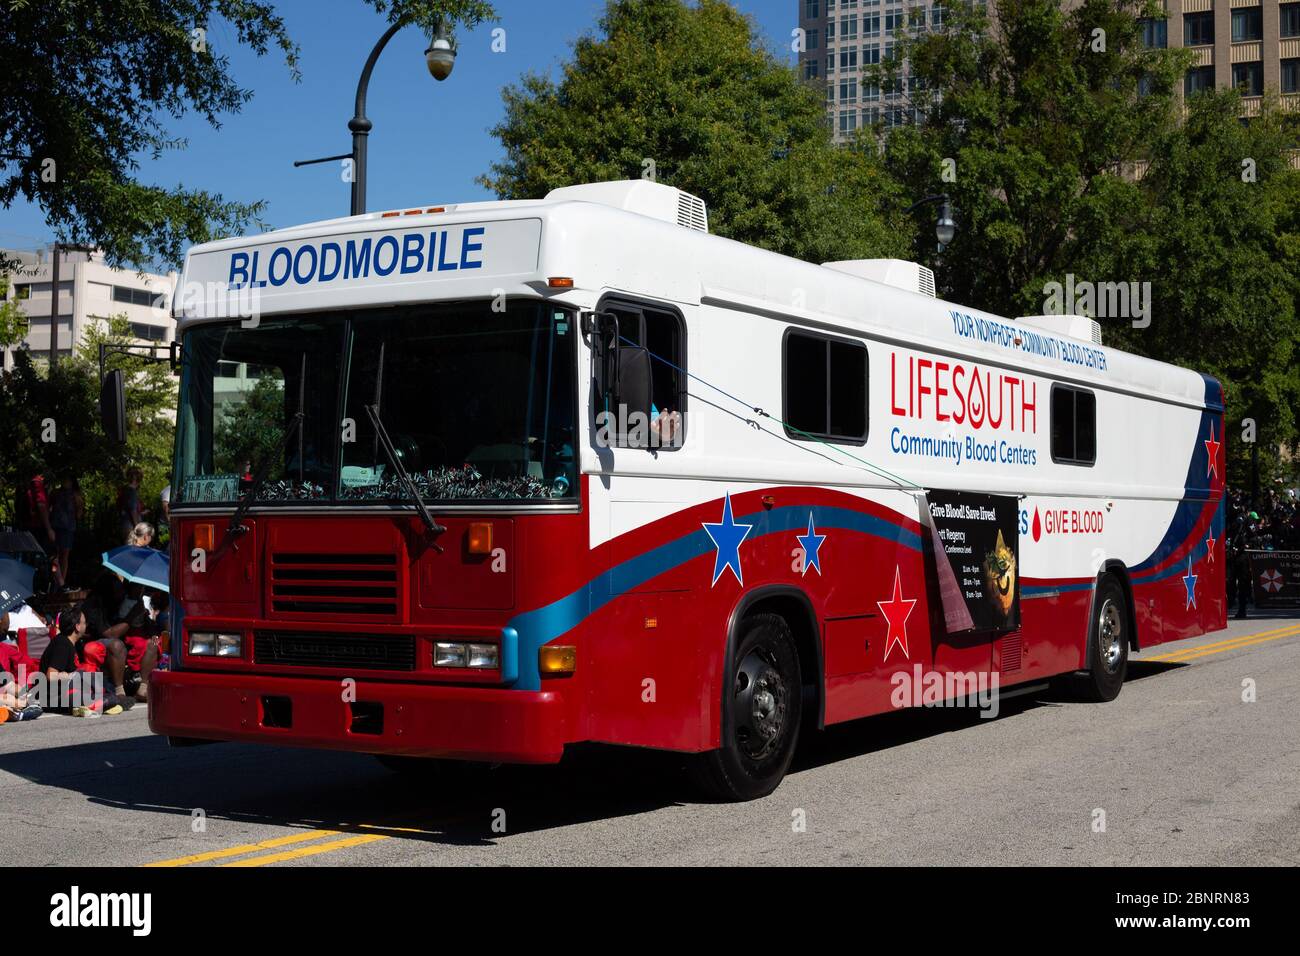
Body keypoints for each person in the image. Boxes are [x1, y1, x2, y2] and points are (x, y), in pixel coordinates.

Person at [37, 607, 119, 717]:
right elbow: (51, 676)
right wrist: (71, 676)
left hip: (65, 693)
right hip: (52, 698)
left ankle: (90, 704)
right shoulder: (62, 644)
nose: (86, 625)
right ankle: (93, 704)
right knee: (112, 698)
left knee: (102, 687)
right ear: (77, 626)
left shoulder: (69, 643)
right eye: (84, 623)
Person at [49, 476, 83, 590]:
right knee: (55, 556)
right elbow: (49, 507)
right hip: (55, 527)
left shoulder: (75, 495)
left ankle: (61, 581)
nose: (65, 481)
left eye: (67, 479)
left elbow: (79, 513)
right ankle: (56, 581)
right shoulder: (55, 493)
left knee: (64, 556)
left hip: (68, 528)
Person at [116, 467, 145, 542]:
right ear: (136, 478)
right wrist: (138, 527)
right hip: (130, 527)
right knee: (132, 550)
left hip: (124, 525)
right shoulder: (132, 492)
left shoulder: (124, 490)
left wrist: (142, 513)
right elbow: (133, 510)